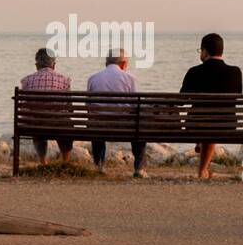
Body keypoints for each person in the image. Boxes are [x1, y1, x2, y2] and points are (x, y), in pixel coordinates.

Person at [180, 32, 242, 180]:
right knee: (211, 124)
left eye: (200, 50)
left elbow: (181, 100)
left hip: (196, 125)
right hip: (226, 125)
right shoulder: (235, 72)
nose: (200, 54)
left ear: (205, 51)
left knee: (204, 122)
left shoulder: (194, 72)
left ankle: (200, 154)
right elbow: (237, 96)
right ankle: (203, 170)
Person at [87, 50, 147, 178]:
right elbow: (136, 106)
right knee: (139, 127)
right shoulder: (130, 78)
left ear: (106, 63)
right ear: (124, 63)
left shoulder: (93, 78)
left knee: (96, 123)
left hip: (99, 127)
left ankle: (99, 166)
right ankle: (139, 169)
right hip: (126, 128)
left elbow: (89, 107)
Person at [19, 48, 73, 165]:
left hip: (36, 125)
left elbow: (24, 109)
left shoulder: (26, 81)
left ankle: (43, 163)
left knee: (36, 123)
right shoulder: (64, 80)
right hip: (58, 124)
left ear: (37, 65)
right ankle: (65, 163)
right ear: (54, 65)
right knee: (65, 125)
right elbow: (69, 108)